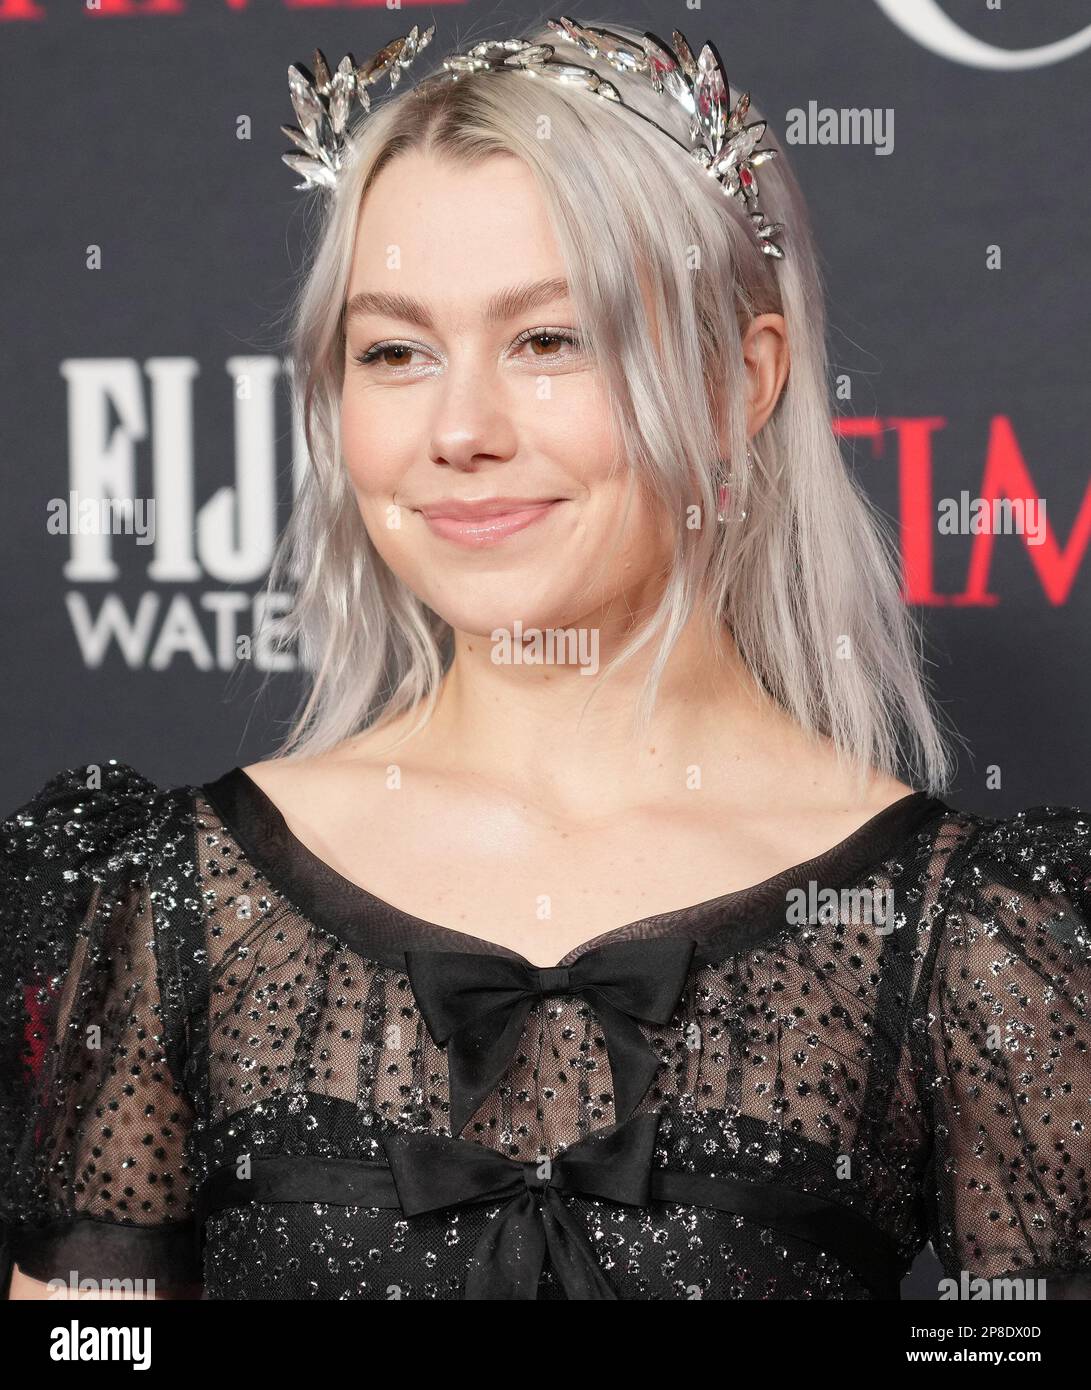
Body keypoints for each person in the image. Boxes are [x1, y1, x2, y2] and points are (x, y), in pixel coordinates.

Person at [2, 17, 1089, 1302]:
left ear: (742, 380)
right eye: (395, 351)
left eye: (549, 339)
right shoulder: (168, 898)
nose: (459, 429)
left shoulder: (965, 937)